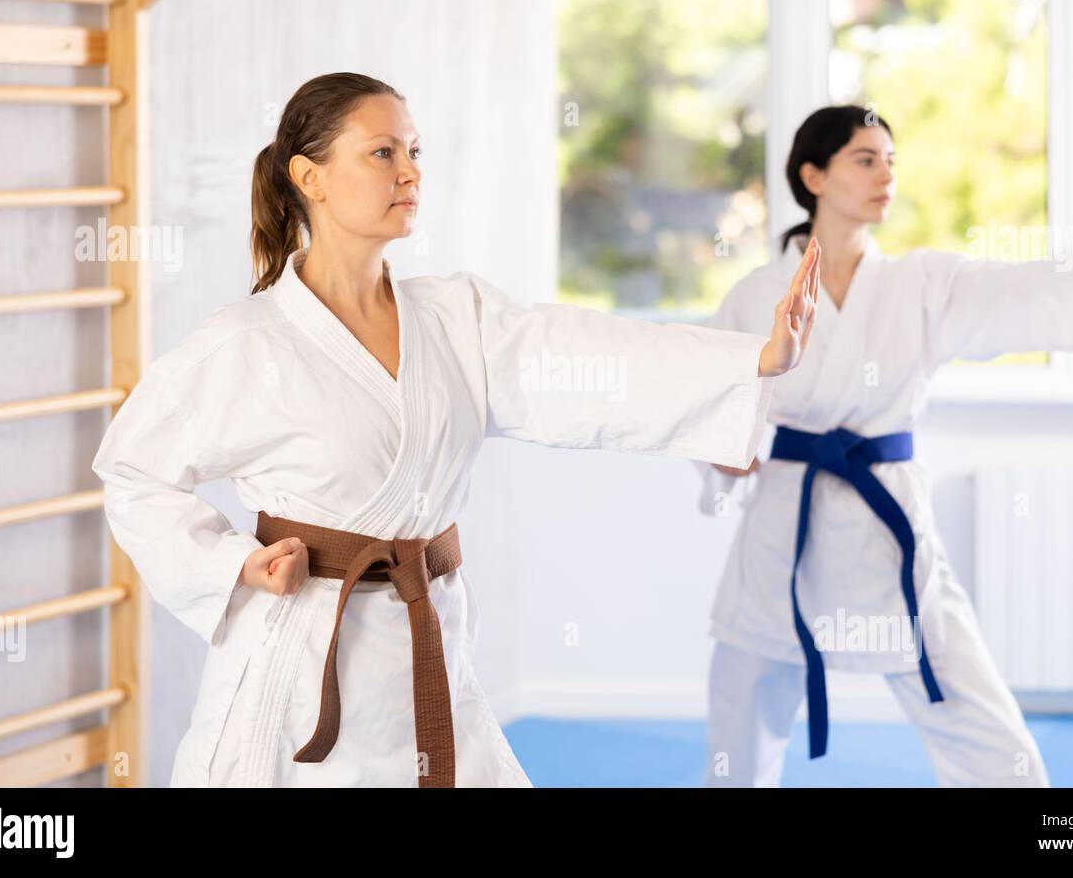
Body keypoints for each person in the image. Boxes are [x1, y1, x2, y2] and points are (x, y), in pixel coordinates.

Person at [90, 72, 823, 787]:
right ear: (310, 178)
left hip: (425, 644)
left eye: (414, 152)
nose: (410, 172)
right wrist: (232, 563)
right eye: (383, 153)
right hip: (303, 667)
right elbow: (133, 471)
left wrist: (751, 360)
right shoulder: (247, 342)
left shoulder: (452, 317)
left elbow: (582, 358)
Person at [698, 104, 1073, 787]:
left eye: (891, 161)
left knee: (989, 733)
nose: (885, 176)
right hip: (786, 526)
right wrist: (727, 453)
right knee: (739, 731)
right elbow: (716, 398)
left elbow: (1018, 290)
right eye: (865, 160)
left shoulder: (919, 283)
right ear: (813, 176)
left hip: (887, 528)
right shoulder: (756, 294)